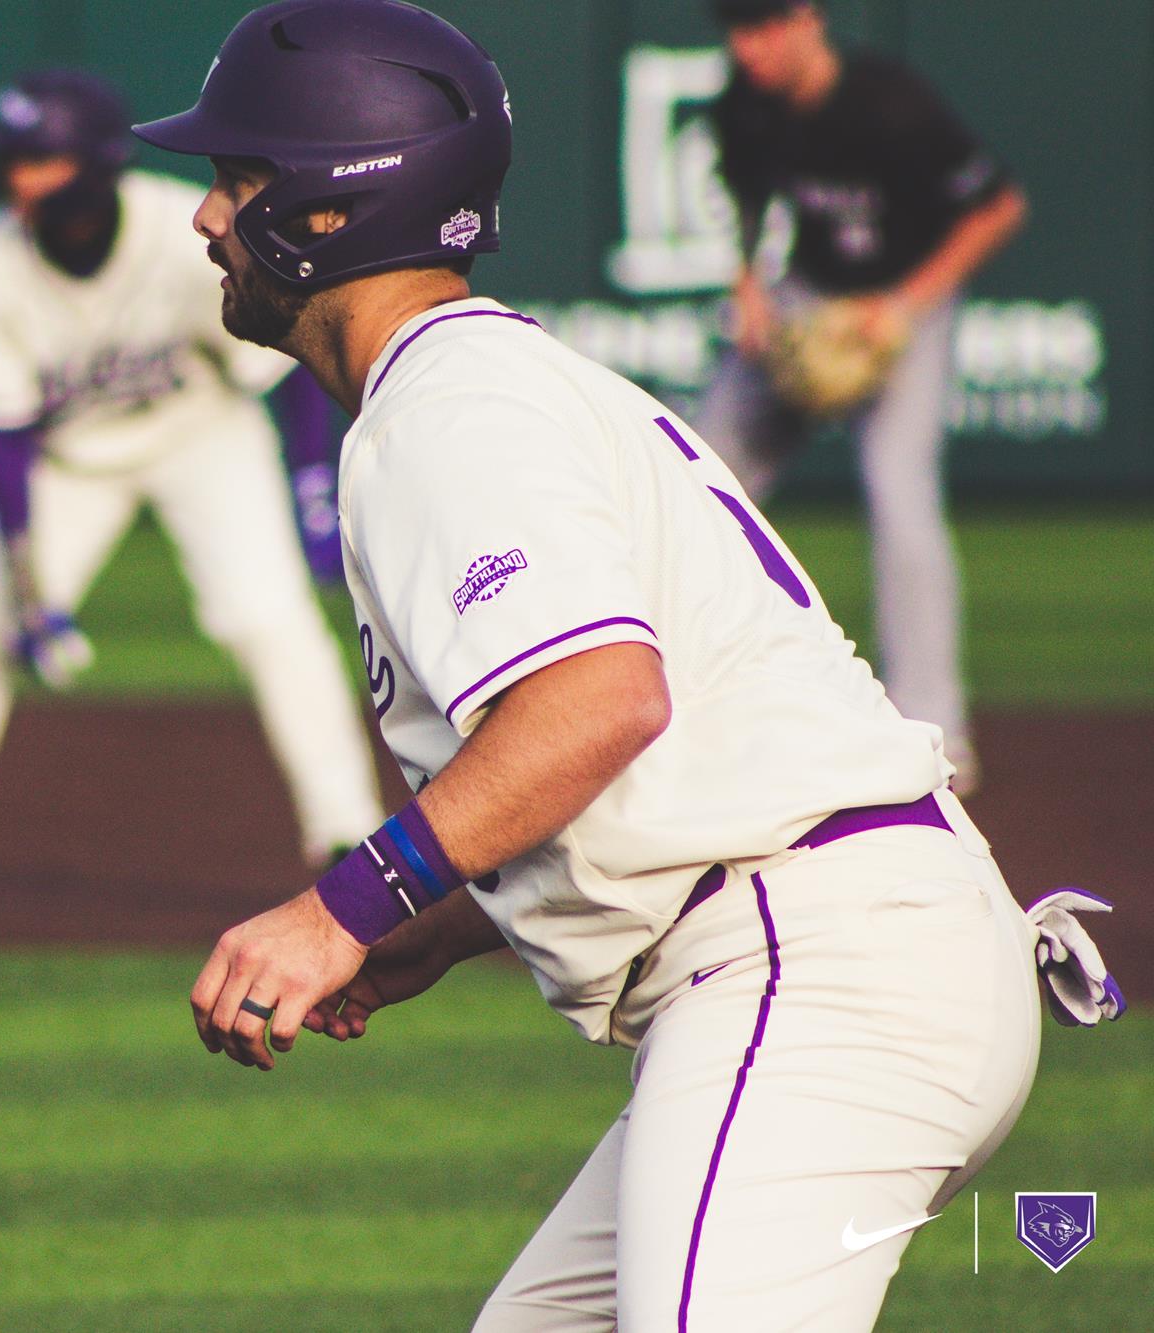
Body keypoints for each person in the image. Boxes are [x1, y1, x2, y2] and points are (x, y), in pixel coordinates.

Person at [133, 2, 1114, 1328]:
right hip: (843, 948)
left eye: (236, 181)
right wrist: (432, 931)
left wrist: (340, 912)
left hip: (816, 966)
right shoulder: (476, 390)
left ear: (328, 210)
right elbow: (627, 765)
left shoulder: (451, 407)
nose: (205, 220)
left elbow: (599, 702)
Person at [0, 69, 385, 931]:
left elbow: (283, 361)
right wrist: (27, 582)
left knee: (267, 619)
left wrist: (311, 485)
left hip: (202, 432)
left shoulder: (181, 233)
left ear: (94, 164)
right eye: (13, 159)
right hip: (69, 461)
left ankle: (347, 834)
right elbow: (3, 436)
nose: (21, 178)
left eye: (41, 158)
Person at [697, 0, 1028, 795]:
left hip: (902, 304)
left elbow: (997, 207)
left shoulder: (890, 103)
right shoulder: (744, 103)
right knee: (705, 472)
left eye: (765, 26)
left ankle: (938, 729)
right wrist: (748, 284)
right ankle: (689, 697)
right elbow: (744, 196)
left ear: (808, 19)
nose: (750, 47)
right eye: (738, 30)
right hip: (812, 299)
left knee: (900, 488)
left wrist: (905, 306)